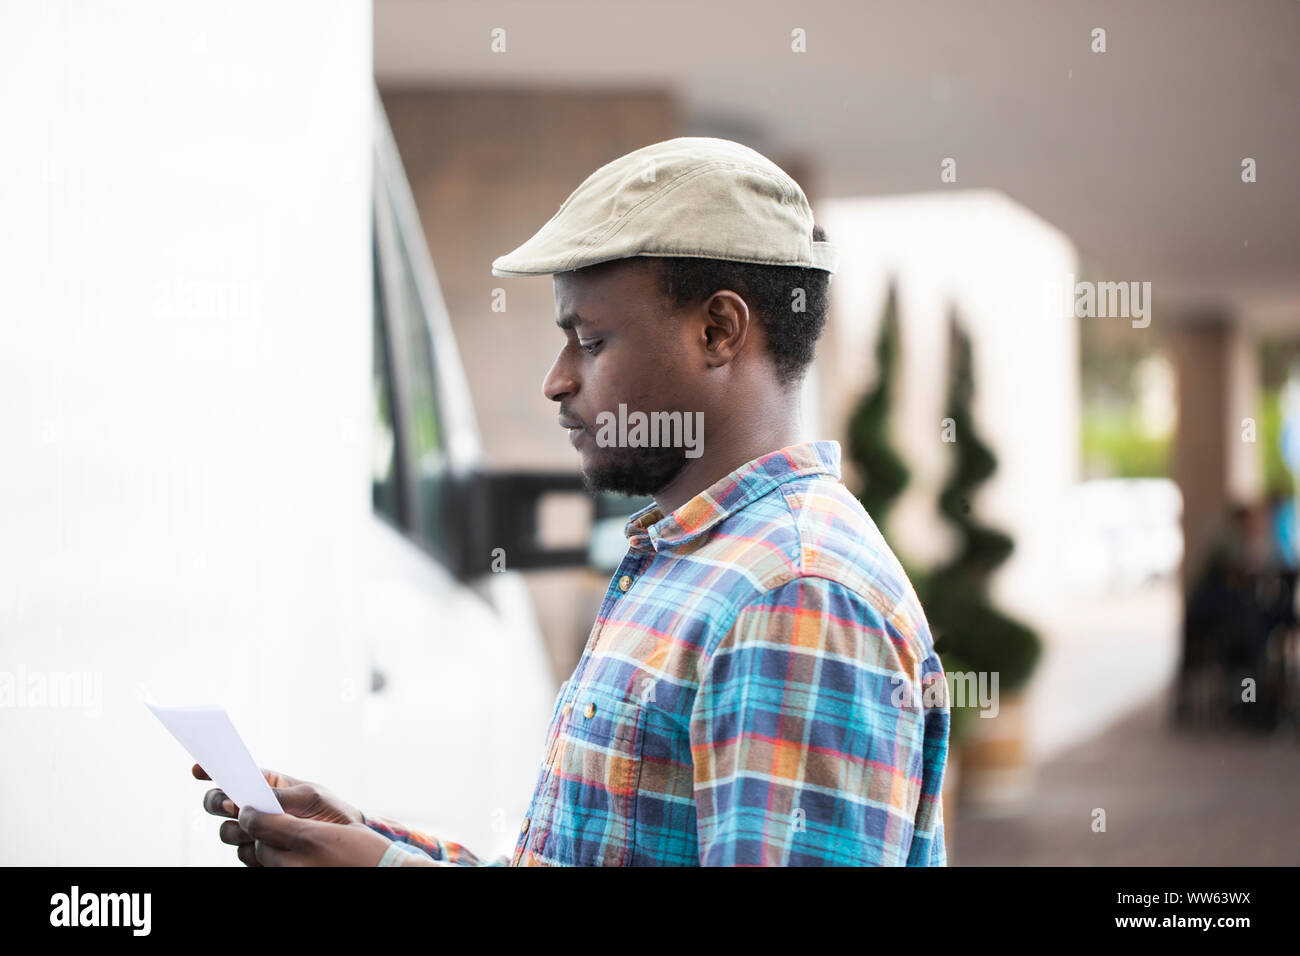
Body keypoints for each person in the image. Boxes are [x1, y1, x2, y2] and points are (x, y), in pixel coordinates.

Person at [199, 137, 950, 866]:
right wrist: (376, 845)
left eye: (590, 342)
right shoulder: (694, 561)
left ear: (718, 330)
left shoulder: (795, 596)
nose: (557, 380)